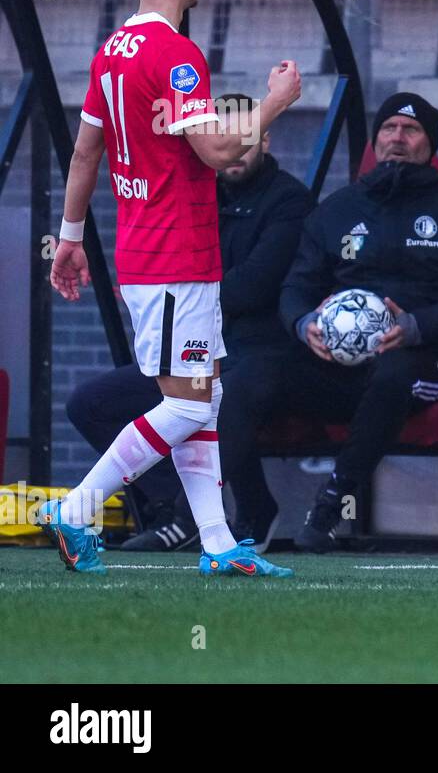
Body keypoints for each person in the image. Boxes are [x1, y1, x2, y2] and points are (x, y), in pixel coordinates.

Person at [42, 0, 301, 576]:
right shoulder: (177, 55)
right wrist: (273, 105)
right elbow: (215, 150)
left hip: (156, 252)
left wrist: (70, 239)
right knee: (186, 403)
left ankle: (217, 545)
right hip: (173, 255)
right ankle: (77, 511)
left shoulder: (113, 50)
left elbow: (84, 153)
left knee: (203, 398)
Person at [243, 92, 438, 552]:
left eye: (411, 130)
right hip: (339, 369)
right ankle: (241, 511)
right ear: (375, 140)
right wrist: (302, 322)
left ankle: (330, 507)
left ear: (431, 144)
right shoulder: (338, 209)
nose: (397, 138)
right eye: (388, 129)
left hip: (427, 366)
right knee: (251, 374)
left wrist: (416, 326)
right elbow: (295, 288)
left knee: (394, 372)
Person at [65, 93, 313, 551]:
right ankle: (186, 516)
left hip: (260, 350)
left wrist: (171, 291)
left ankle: (91, 510)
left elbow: (256, 286)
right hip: (195, 336)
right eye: (221, 135)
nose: (232, 148)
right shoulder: (195, 190)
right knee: (92, 402)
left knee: (208, 403)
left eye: (243, 136)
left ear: (265, 138)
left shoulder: (290, 201)